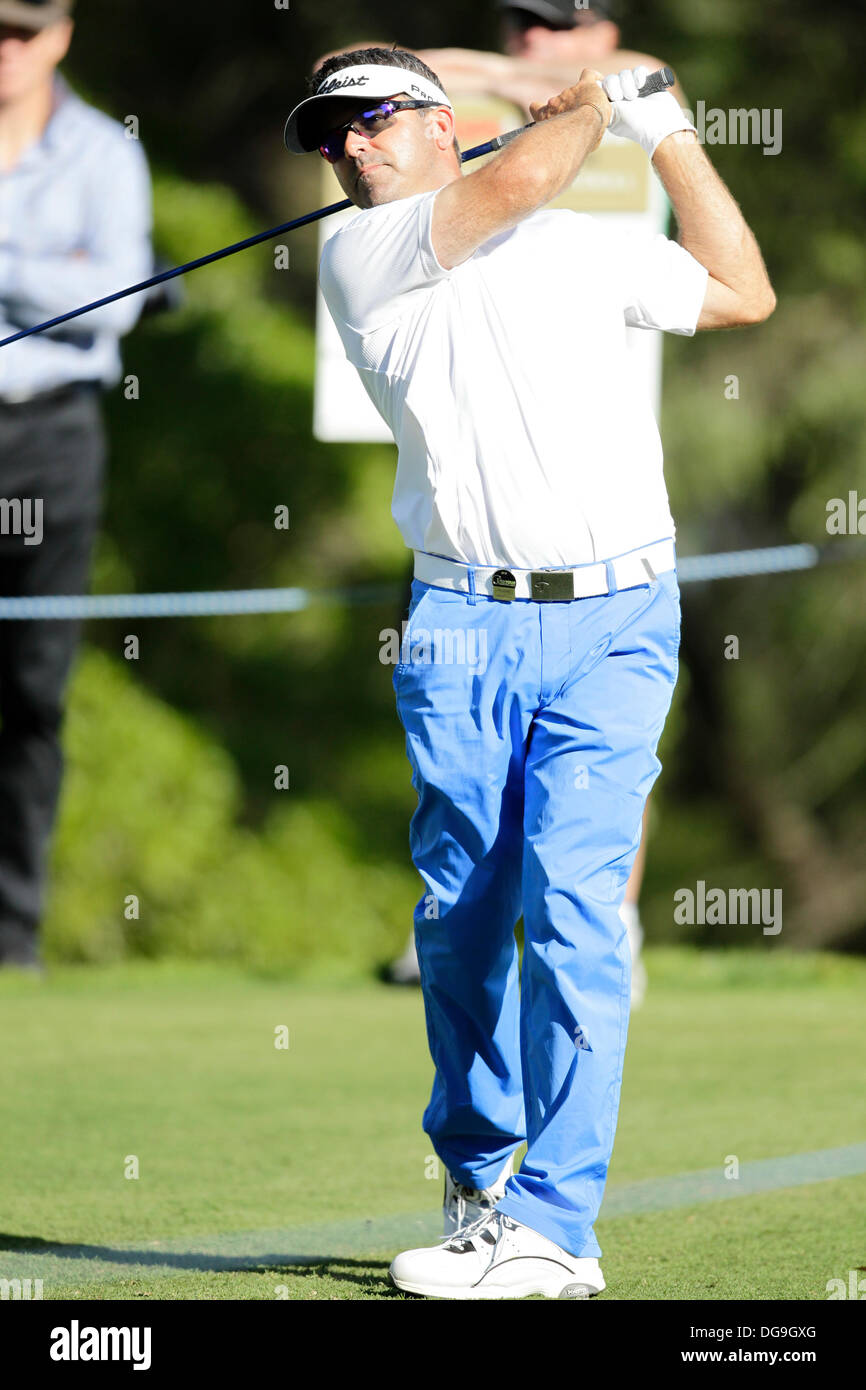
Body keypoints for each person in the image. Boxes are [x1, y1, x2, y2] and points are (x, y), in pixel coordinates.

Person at [284, 46, 774, 1299]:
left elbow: (740, 289)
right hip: (458, 622)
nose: (348, 148)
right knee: (461, 921)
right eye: (328, 135)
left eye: (371, 120)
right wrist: (589, 98)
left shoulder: (569, 242)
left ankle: (555, 1228)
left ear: (443, 124)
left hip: (619, 617)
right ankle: (478, 1169)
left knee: (574, 911)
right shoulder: (368, 251)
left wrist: (666, 129)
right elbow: (511, 190)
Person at [319, 6, 681, 1002]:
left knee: (594, 776)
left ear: (597, 22)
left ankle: (613, 922)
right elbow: (358, 76)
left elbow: (641, 77)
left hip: (592, 437)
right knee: (470, 812)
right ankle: (462, 927)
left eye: (556, 22)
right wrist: (550, 95)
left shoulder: (621, 78)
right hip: (465, 541)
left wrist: (567, 92)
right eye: (520, 20)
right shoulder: (371, 228)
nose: (533, 38)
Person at [0, 0, 152, 970]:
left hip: (51, 437)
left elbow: (118, 298)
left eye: (20, 31)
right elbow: (70, 289)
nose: (4, 51)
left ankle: (11, 939)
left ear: (59, 34)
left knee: (31, 690)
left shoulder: (103, 151)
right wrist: (46, 273)